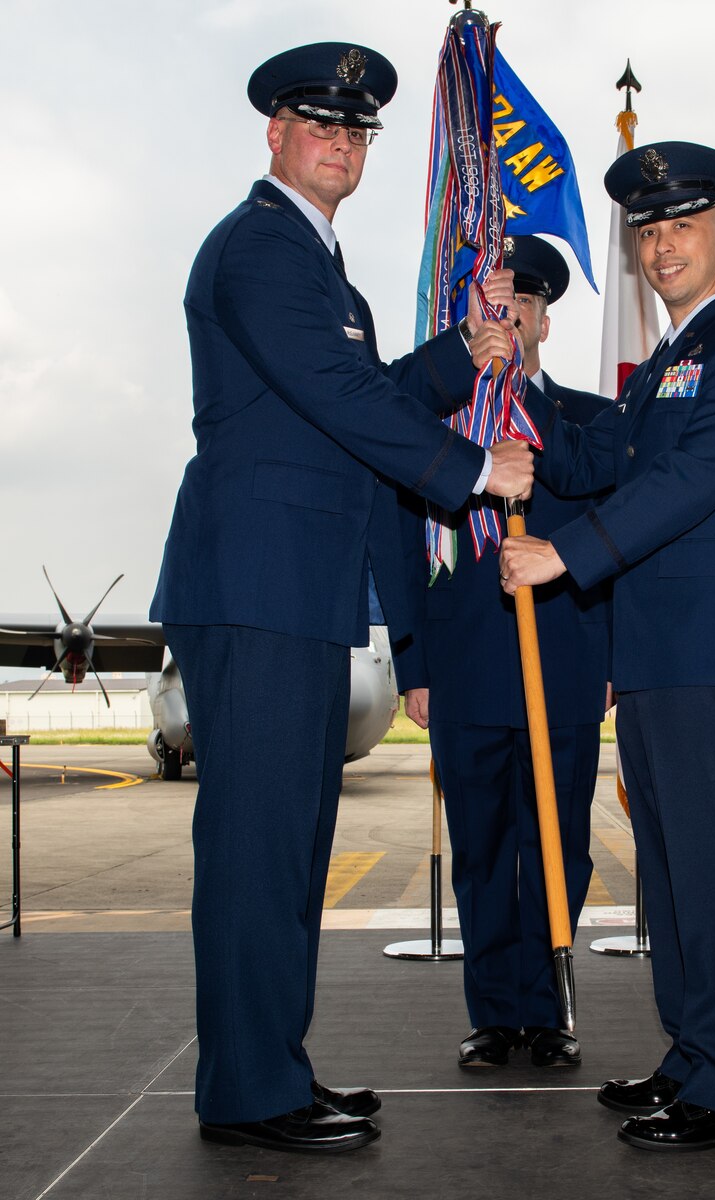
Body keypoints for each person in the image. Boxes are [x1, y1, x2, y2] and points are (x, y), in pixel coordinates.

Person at [149, 42, 533, 1155]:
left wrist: (464, 350)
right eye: (320, 123)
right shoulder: (260, 250)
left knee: (287, 851)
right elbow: (333, 395)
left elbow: (360, 391)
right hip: (257, 587)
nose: (342, 142)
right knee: (258, 850)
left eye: (358, 131)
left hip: (299, 595)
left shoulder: (322, 272)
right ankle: (249, 1092)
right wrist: (471, 471)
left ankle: (271, 1068)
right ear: (273, 133)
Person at [499, 143, 715, 1151]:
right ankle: (695, 1054)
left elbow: (692, 481)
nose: (662, 244)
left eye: (681, 226)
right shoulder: (667, 364)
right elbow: (600, 459)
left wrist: (564, 557)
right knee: (671, 870)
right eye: (647, 232)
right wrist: (520, 384)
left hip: (712, 652)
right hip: (661, 655)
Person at [397, 236, 612, 1069]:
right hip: (462, 664)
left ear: (543, 324)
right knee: (482, 845)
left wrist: (610, 661)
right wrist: (413, 665)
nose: (507, 315)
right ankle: (495, 1012)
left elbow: (613, 533)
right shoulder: (425, 428)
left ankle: (549, 1010)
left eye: (521, 305)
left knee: (556, 839)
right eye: (491, 303)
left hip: (561, 660)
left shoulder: (589, 420)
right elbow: (399, 544)